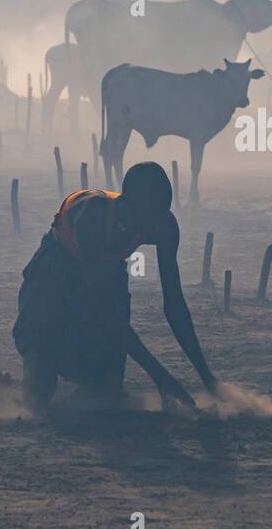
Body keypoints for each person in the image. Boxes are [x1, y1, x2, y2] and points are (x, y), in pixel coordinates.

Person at [12, 161, 216, 409]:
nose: (155, 224)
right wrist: (161, 377)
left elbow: (174, 305)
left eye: (162, 212)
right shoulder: (93, 216)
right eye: (150, 214)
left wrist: (209, 379)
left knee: (107, 392)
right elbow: (107, 311)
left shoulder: (163, 225)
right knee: (40, 384)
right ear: (127, 203)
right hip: (55, 271)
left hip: (108, 269)